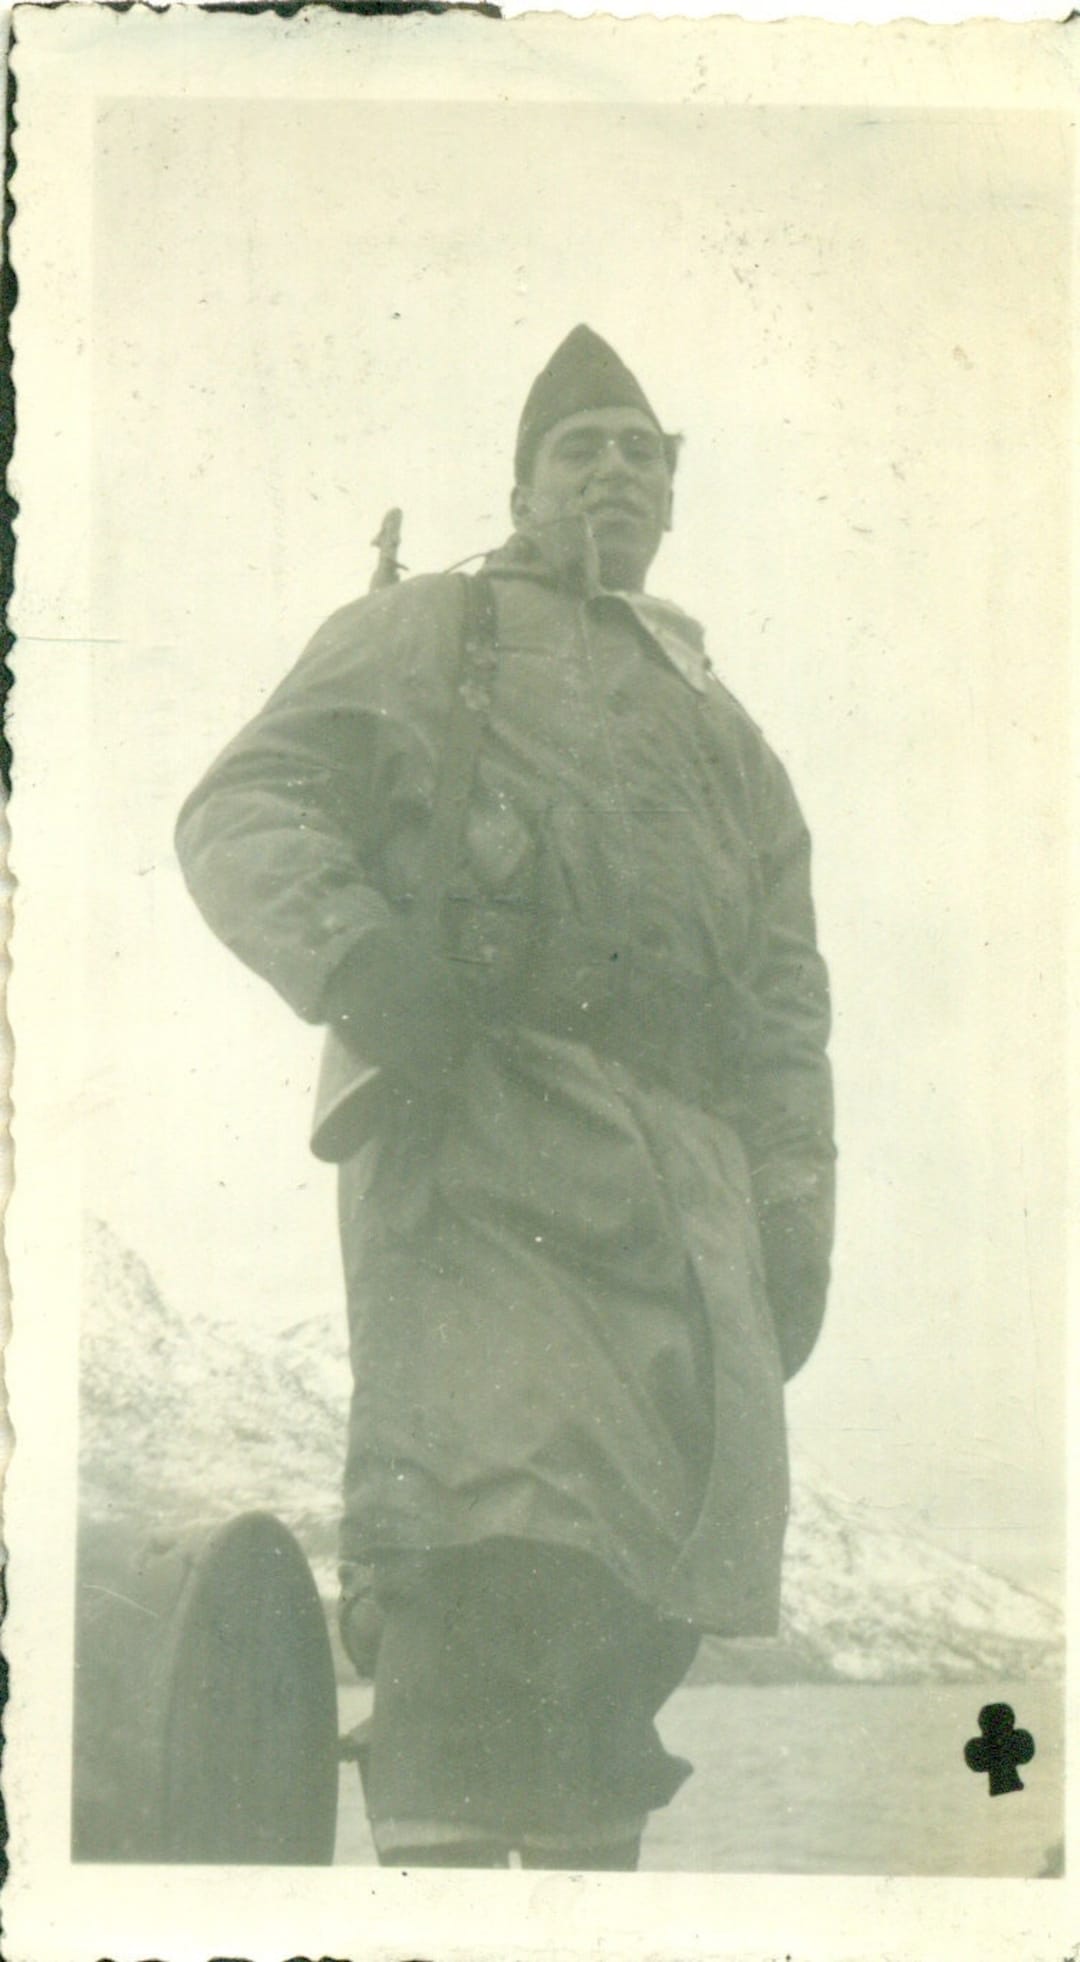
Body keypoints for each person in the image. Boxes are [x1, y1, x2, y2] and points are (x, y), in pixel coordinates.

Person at [175, 325, 836, 1871]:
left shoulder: (738, 747)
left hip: (692, 1210)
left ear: (672, 491)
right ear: (525, 484)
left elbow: (789, 1003)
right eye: (577, 446)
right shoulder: (432, 627)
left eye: (635, 448)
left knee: (628, 1622)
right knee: (483, 1562)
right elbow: (242, 803)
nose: (609, 469)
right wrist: (354, 956)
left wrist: (797, 1209)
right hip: (490, 1145)